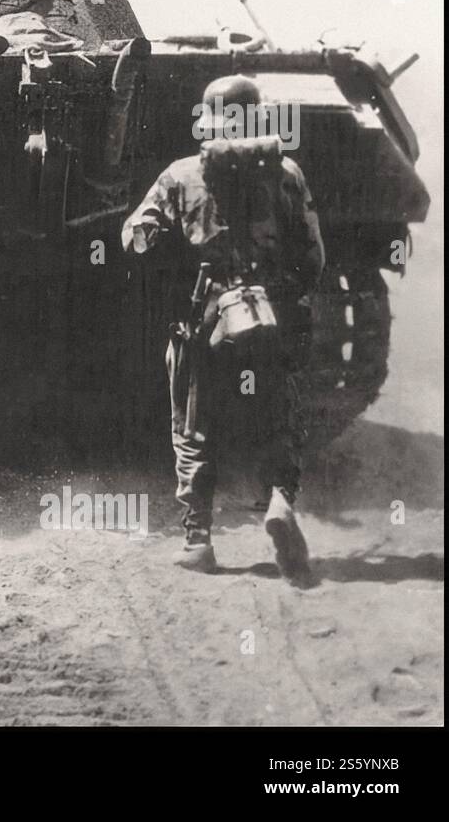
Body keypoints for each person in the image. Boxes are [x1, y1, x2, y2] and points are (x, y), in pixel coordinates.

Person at [122, 75, 324, 582]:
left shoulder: (182, 174)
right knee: (277, 414)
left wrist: (153, 243)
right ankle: (279, 500)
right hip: (267, 313)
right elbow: (313, 256)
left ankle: (198, 542)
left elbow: (136, 237)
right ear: (258, 118)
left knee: (193, 428)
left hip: (205, 318)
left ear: (206, 120)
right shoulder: (287, 174)